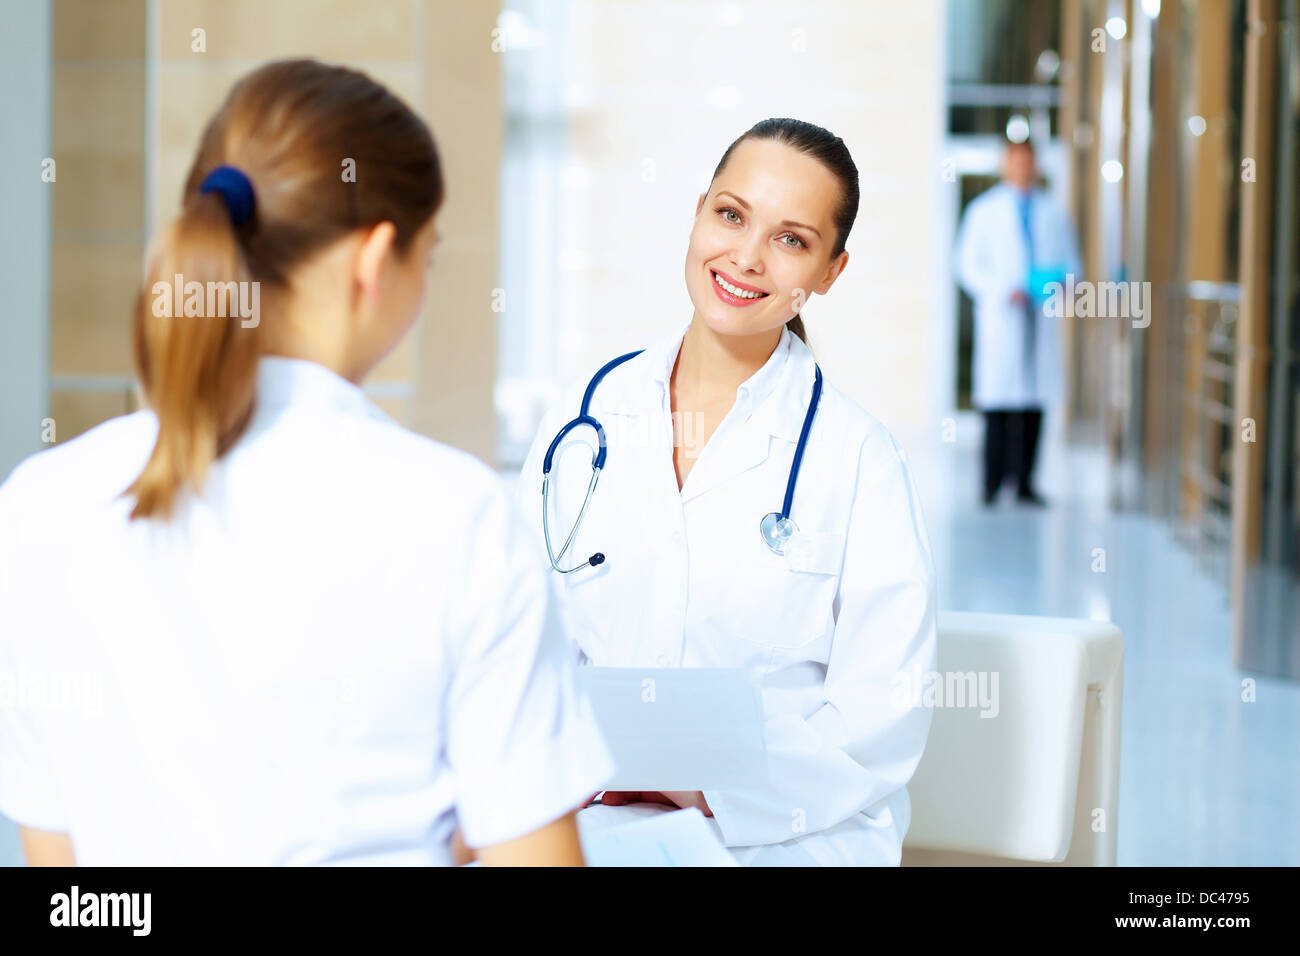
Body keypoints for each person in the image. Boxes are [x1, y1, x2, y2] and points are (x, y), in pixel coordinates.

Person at [0, 59, 613, 866]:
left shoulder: (41, 503)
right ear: (375, 260)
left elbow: (68, 881)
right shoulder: (453, 515)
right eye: (427, 258)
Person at [515, 118, 938, 866]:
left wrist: (703, 785)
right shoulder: (584, 422)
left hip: (786, 832)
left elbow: (884, 717)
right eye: (732, 215)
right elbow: (516, 638)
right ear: (699, 210)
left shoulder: (859, 461)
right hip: (592, 814)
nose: (745, 256)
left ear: (830, 272)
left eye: (792, 239)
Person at [953, 138, 1080, 506]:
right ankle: (991, 484)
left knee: (1032, 405)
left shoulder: (1054, 212)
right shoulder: (983, 211)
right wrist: (1002, 290)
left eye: (1028, 162)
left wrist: (1058, 284)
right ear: (1005, 165)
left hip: (1040, 315)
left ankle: (1025, 484)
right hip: (1003, 315)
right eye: (1016, 162)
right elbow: (966, 264)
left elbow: (1073, 264)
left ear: (1035, 165)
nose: (1023, 168)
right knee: (998, 405)